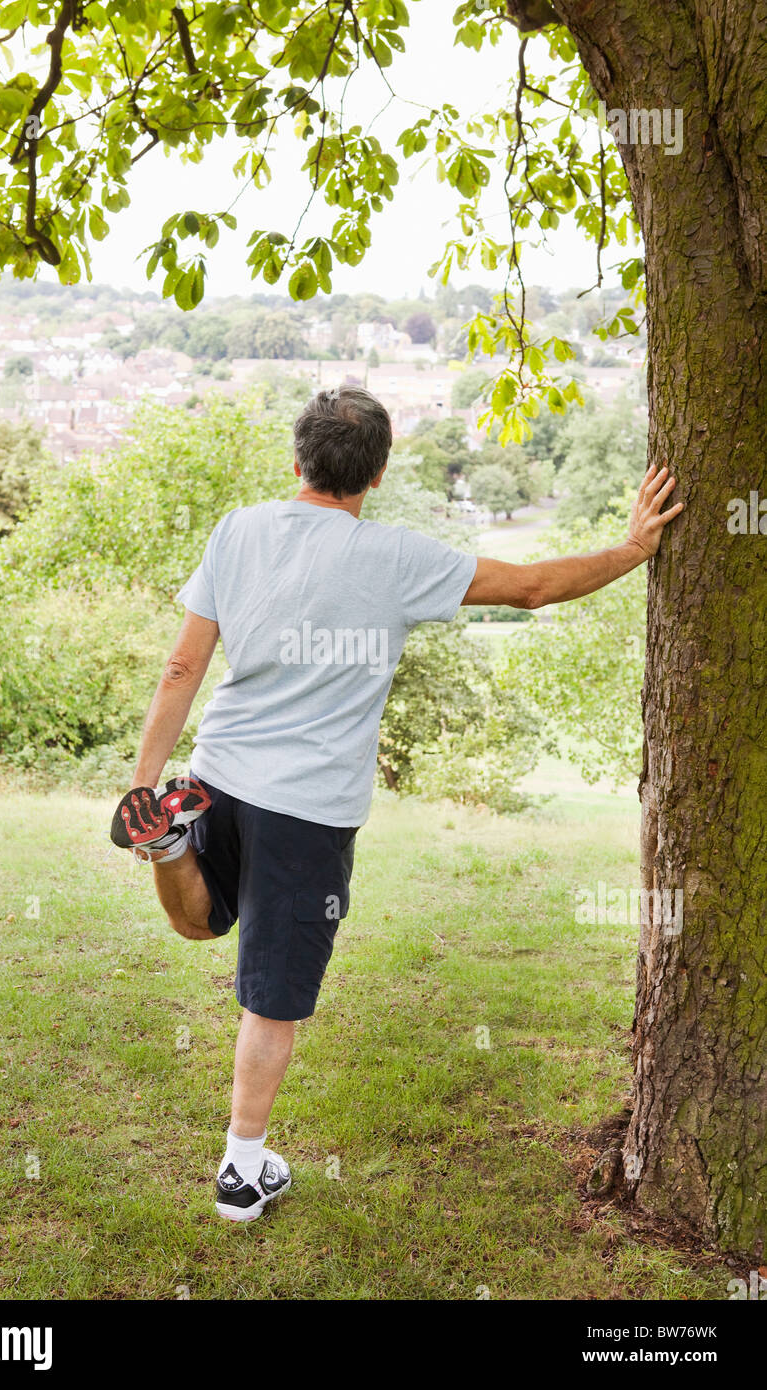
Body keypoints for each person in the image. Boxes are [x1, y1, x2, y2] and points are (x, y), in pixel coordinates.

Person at [110, 384, 682, 1222]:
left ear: (296, 461)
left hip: (218, 773)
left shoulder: (238, 530)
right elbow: (529, 588)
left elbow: (180, 668)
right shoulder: (395, 558)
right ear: (375, 475)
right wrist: (634, 548)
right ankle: (241, 1171)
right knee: (270, 995)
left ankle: (169, 842)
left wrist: (141, 780)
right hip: (307, 809)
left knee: (199, 923)